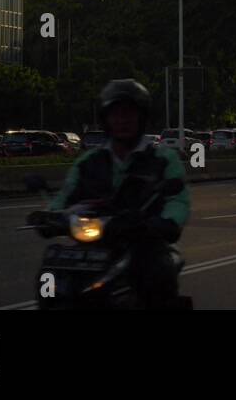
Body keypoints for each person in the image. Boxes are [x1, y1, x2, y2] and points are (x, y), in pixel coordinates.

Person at [48, 79, 190, 308]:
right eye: (115, 114)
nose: (122, 120)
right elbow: (65, 196)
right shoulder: (88, 161)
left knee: (158, 275)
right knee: (53, 281)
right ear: (106, 119)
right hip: (93, 246)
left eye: (129, 113)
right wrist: (50, 216)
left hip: (143, 243)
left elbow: (178, 200)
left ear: (141, 117)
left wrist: (166, 222)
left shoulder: (163, 159)